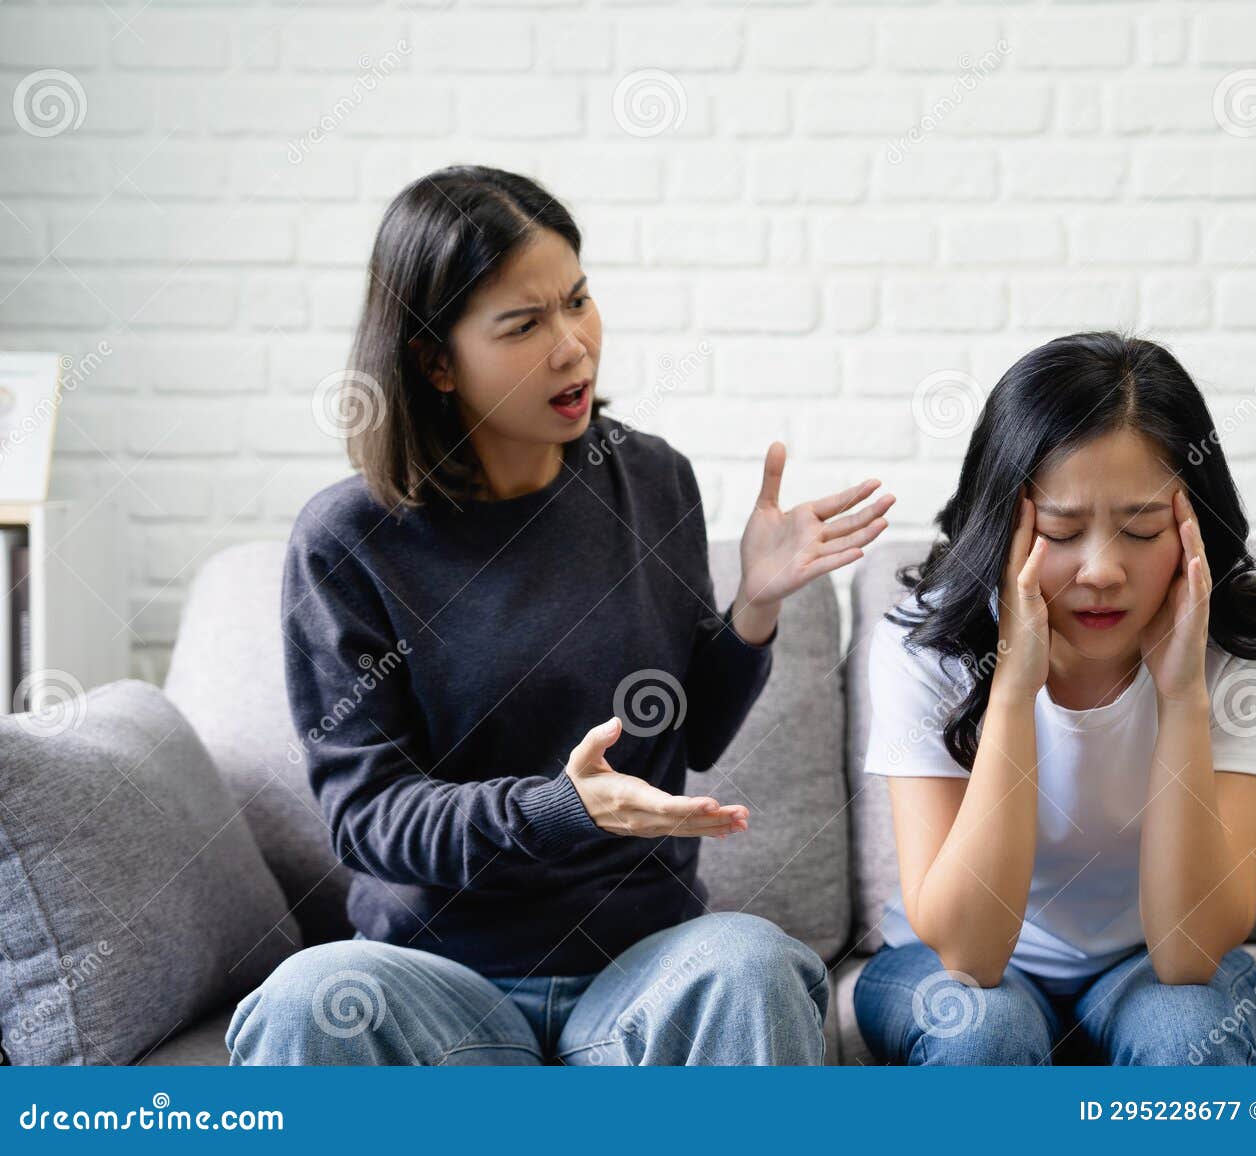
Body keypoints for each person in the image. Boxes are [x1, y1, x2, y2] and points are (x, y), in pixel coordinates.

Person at [227, 166, 894, 1065]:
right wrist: (557, 809)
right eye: (524, 325)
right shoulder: (347, 542)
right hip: (438, 982)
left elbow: (686, 737)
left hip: (638, 966)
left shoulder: (651, 479)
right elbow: (368, 815)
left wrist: (754, 609)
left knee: (753, 963)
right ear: (434, 361)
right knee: (306, 999)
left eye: (578, 302)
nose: (574, 346)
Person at [853, 332, 1256, 1065]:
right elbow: (969, 952)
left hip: (1147, 966)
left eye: (1143, 530)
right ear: (1003, 527)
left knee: (1188, 1035)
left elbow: (1187, 957)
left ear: (1195, 524)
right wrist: (1012, 691)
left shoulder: (1244, 655)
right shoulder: (924, 646)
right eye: (1060, 531)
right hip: (945, 966)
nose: (1101, 571)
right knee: (983, 1032)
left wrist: (1183, 694)